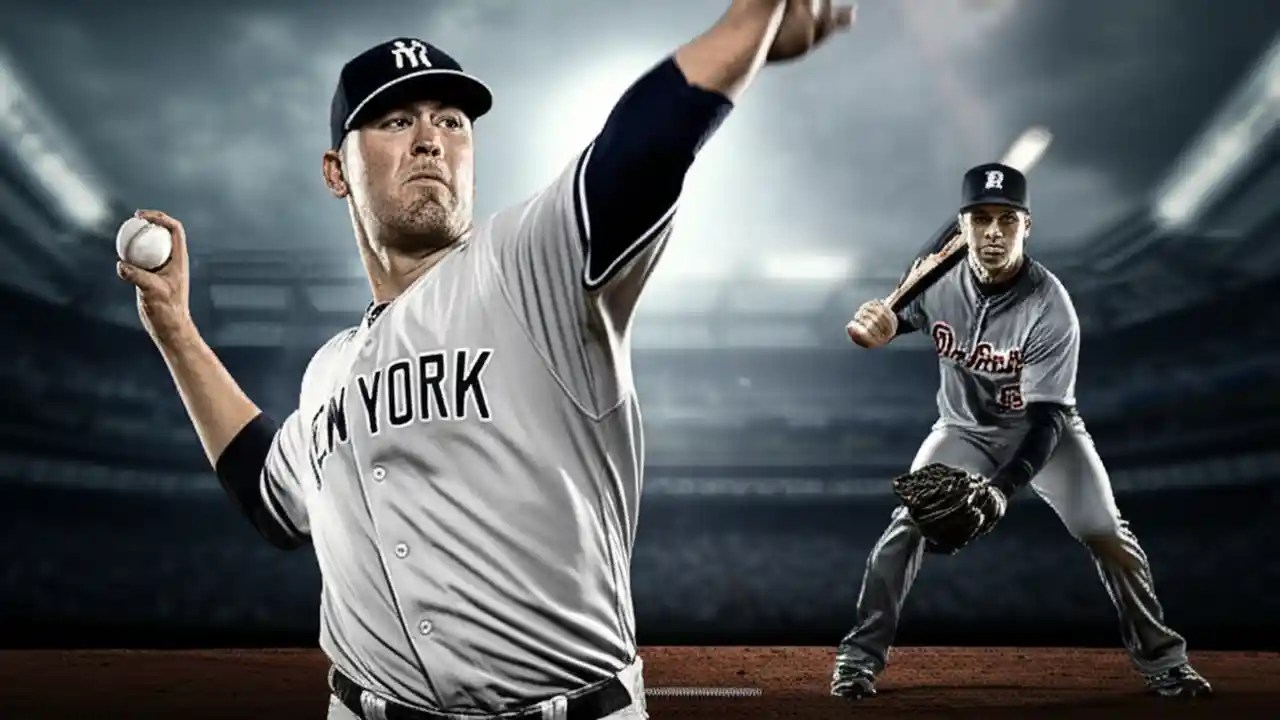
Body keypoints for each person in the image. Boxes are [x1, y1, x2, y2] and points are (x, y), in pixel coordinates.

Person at [115, 2, 855, 718]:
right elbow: (268, 497)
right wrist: (174, 327)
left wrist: (742, 28)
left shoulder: (526, 264)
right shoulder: (329, 371)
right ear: (336, 171)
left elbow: (642, 148)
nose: (431, 138)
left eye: (451, 120)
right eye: (396, 120)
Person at [833, 162, 1213, 701]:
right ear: (962, 227)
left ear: (1026, 227)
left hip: (1046, 437)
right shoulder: (934, 280)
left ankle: (1165, 662)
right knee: (906, 526)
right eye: (981, 218)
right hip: (963, 430)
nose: (993, 232)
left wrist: (1002, 488)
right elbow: (898, 317)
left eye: (1006, 220)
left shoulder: (1049, 306)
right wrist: (883, 327)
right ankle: (858, 659)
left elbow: (1049, 419)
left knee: (1106, 533)